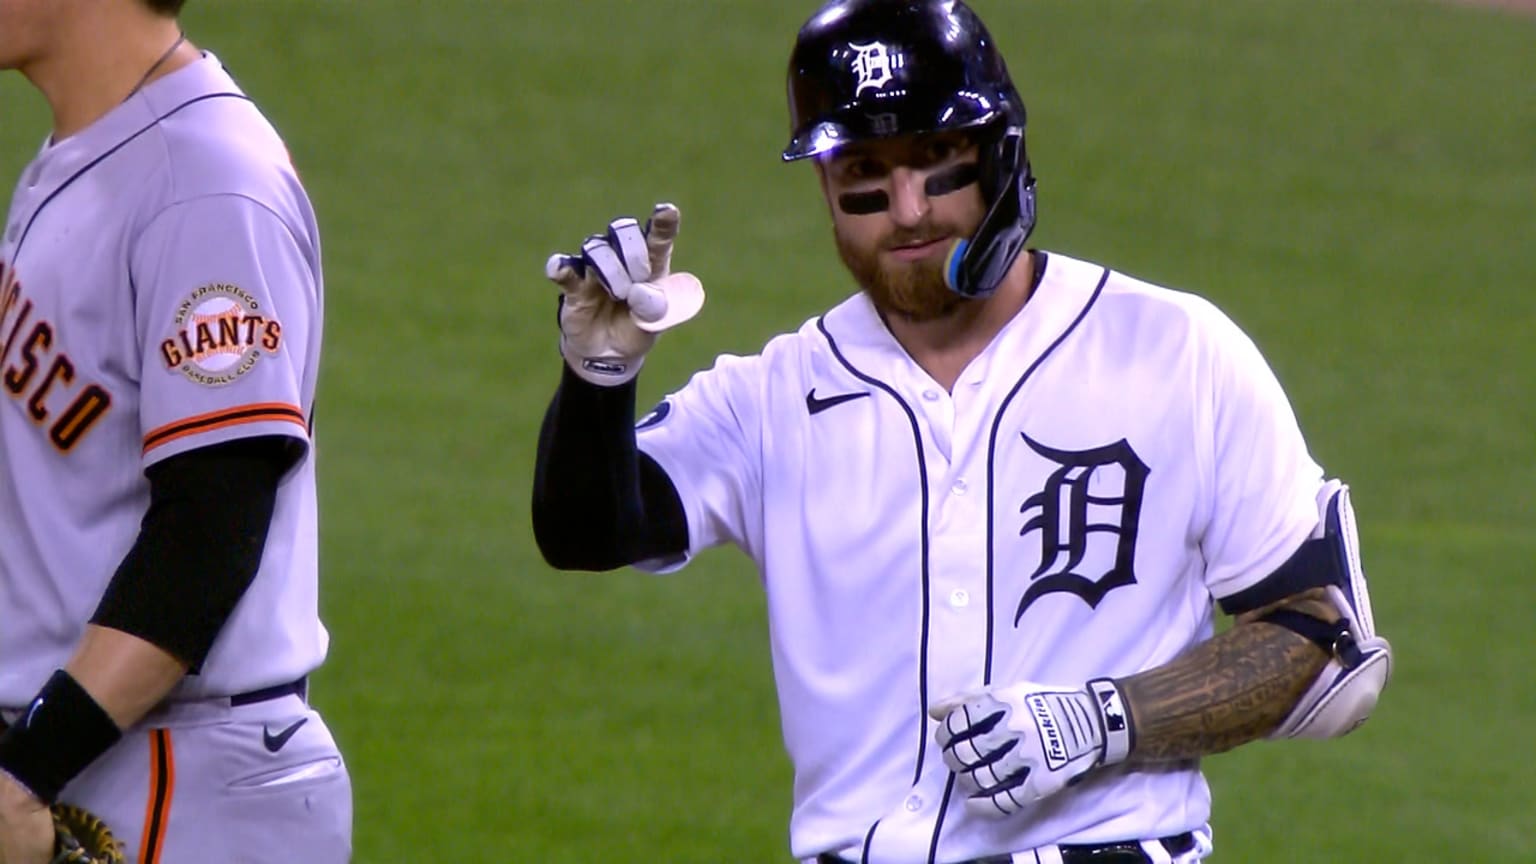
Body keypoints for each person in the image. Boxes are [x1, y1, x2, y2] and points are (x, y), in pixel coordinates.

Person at [531, 1, 1392, 861]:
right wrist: (597, 377)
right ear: (828, 188)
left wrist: (1101, 722)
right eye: (865, 171)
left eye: (936, 160)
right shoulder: (775, 397)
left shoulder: (1176, 352)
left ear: (1000, 155)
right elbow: (589, 531)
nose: (906, 210)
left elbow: (1325, 646)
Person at [0, 1, 351, 861]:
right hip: (98, 748)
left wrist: (25, 775)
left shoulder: (205, 185)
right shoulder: (86, 151)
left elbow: (211, 528)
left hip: (178, 777)